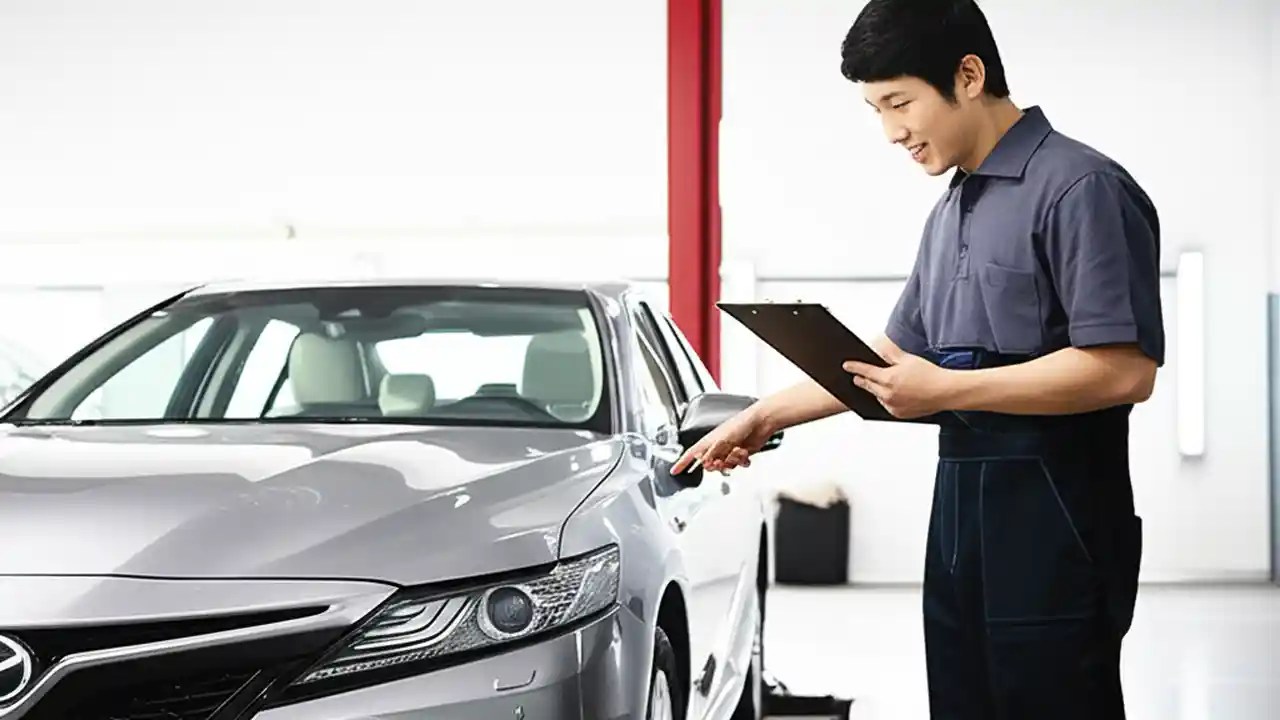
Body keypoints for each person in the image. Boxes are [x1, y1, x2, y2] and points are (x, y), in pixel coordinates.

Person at [670, 1, 1163, 718]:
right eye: (875, 110)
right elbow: (898, 352)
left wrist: (948, 388)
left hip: (1058, 518)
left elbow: (1124, 370)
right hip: (961, 516)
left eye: (899, 103)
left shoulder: (1081, 189)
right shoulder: (953, 207)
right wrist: (763, 415)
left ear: (968, 75)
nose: (891, 131)